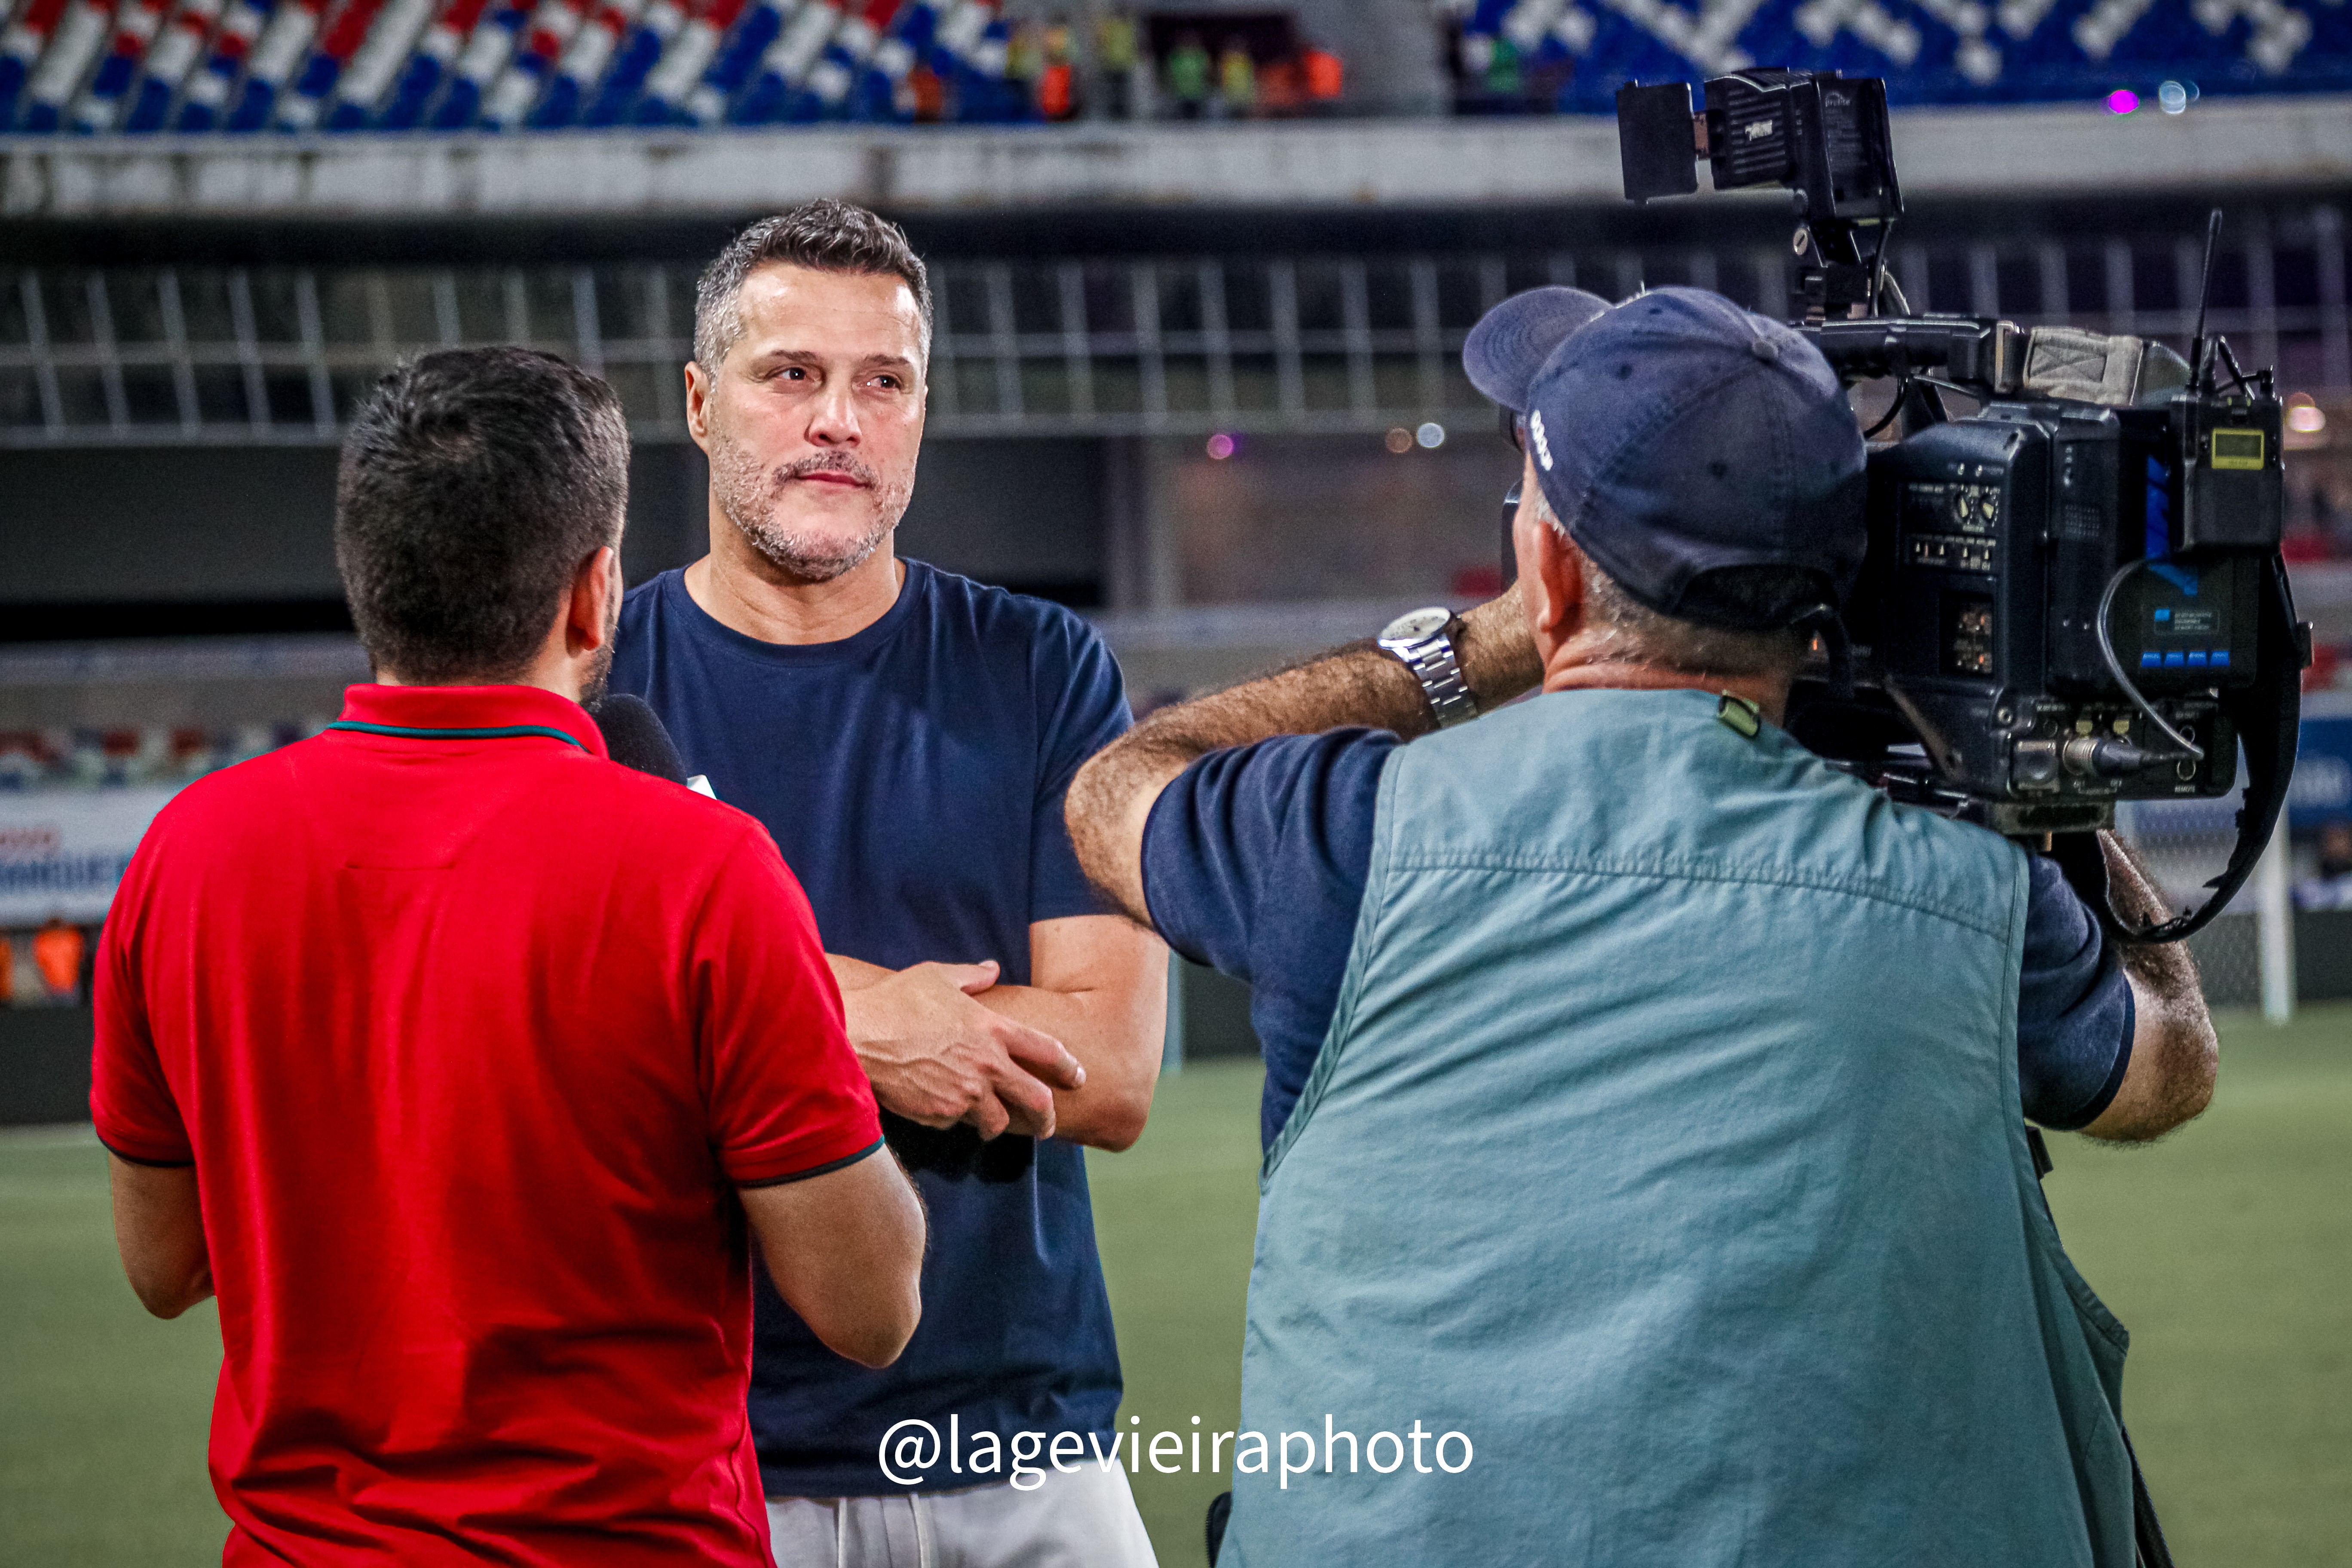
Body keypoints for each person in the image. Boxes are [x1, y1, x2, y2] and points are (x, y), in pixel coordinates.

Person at [1066, 287, 2220, 1565]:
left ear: (1551, 573)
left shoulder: (1344, 838)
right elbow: (2164, 1069)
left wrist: (1482, 650)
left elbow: (1117, 790)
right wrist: (2039, 779)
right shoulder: (1974, 892)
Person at [92, 346, 926, 1566]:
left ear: (367, 584)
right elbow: (871, 1308)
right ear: (595, 594)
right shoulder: (701, 870)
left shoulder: (185, 854)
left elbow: (164, 1267)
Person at [609, 202, 1166, 1566]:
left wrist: (740, 1016)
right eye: (790, 374)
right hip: (699, 1454)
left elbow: (1108, 1073)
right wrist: (859, 1017)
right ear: (698, 400)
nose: (838, 421)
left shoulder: (1043, 668)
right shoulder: (596, 688)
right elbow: (542, 1038)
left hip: (1022, 1451)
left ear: (921, 412)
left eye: (884, 382)